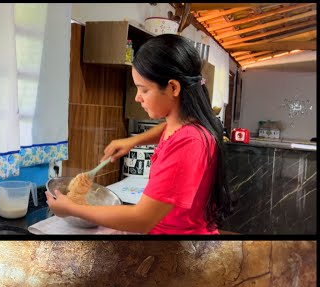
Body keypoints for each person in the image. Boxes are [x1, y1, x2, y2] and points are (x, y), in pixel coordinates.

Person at [46, 34, 230, 234]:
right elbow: (167, 129)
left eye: (144, 90)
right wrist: (133, 141)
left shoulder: (189, 143)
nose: (137, 97)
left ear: (173, 88)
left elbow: (142, 219)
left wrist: (72, 209)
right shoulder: (188, 123)